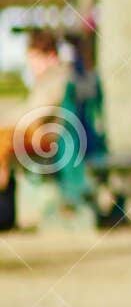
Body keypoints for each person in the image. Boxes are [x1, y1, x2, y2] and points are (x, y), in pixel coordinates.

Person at [0, 31, 94, 232]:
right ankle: (5, 208)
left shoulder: (57, 78)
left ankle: (4, 210)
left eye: (34, 59)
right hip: (48, 136)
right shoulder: (59, 78)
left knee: (3, 142)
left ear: (50, 56)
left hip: (50, 140)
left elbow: (35, 114)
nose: (31, 67)